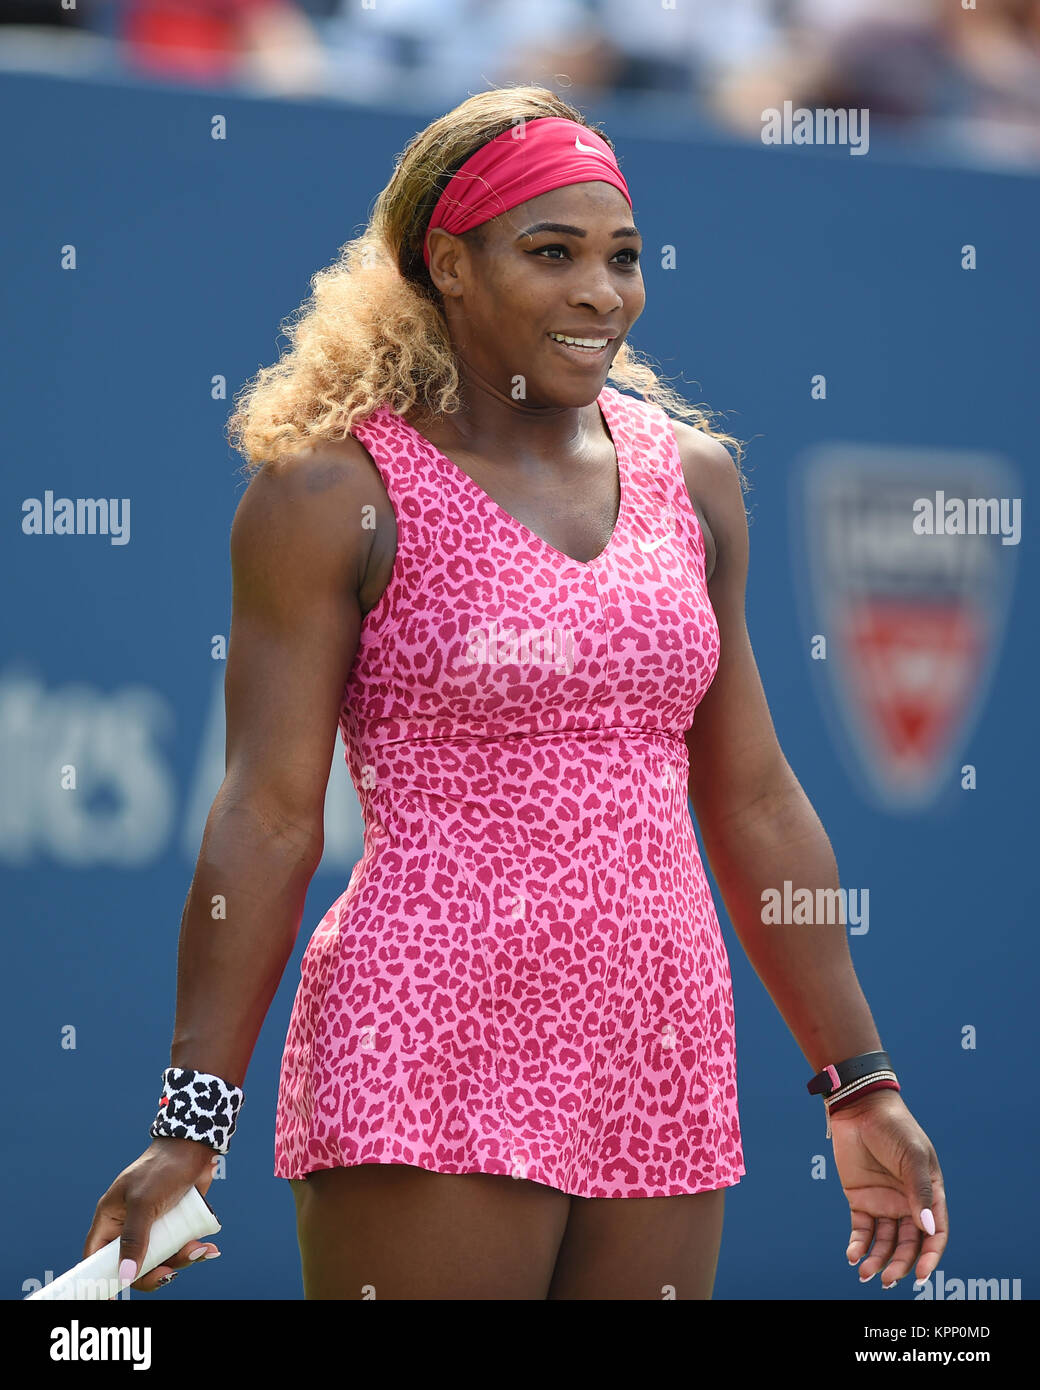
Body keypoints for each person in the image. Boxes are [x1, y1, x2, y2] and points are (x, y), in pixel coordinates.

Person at [83, 84, 948, 1300]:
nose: (601, 291)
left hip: (660, 1044)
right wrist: (191, 1120)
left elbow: (750, 798)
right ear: (449, 264)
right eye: (552, 254)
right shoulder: (330, 492)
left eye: (623, 257)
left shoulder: (692, 480)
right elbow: (267, 816)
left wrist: (859, 1080)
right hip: (423, 1034)